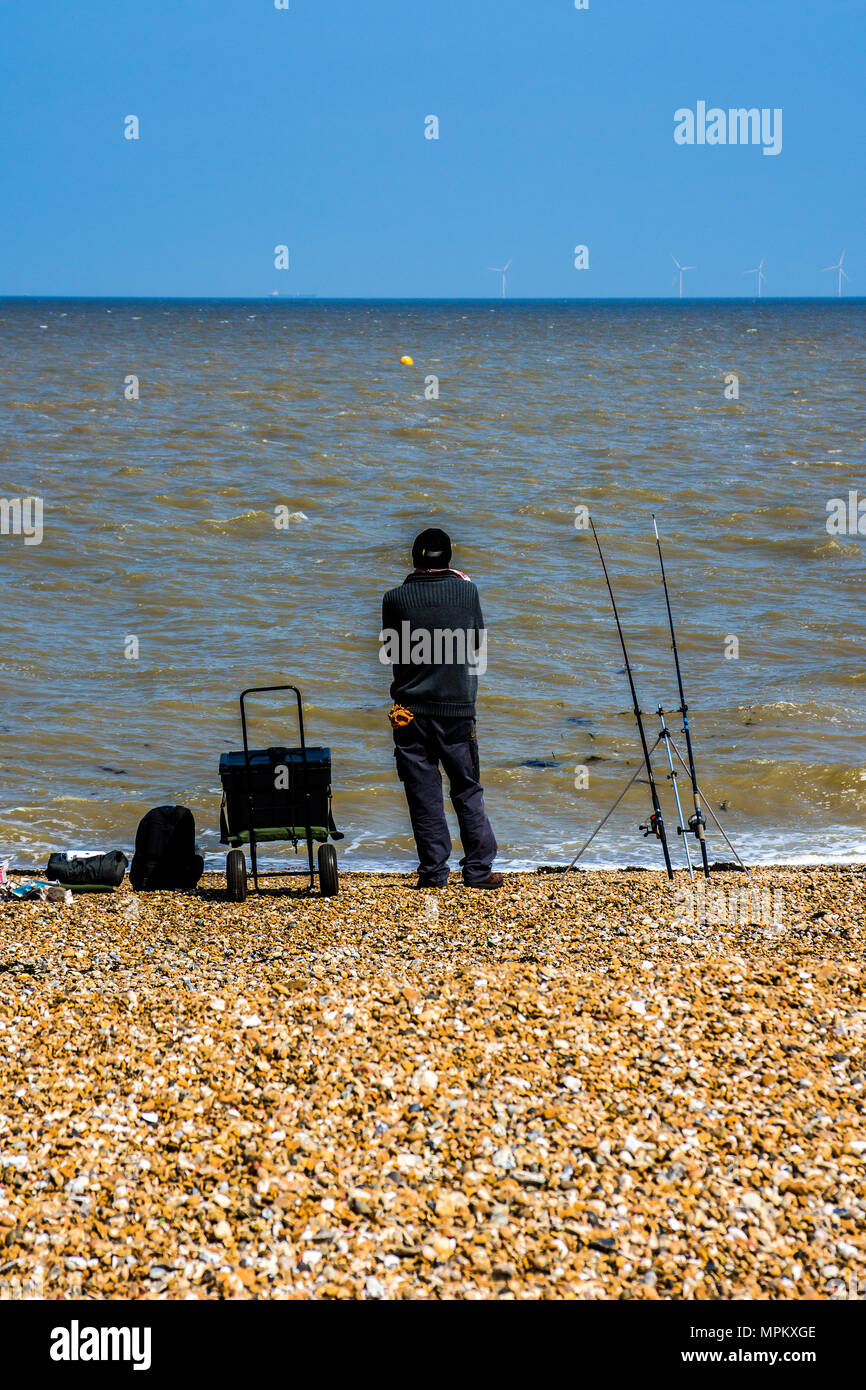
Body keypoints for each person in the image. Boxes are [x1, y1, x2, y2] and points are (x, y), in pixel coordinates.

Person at [380, 528, 502, 889]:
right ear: (449, 561)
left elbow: (391, 653)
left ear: (414, 560)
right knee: (466, 789)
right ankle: (478, 871)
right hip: (457, 711)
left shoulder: (393, 599)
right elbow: (477, 642)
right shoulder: (467, 591)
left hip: (410, 713)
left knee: (423, 793)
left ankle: (433, 873)